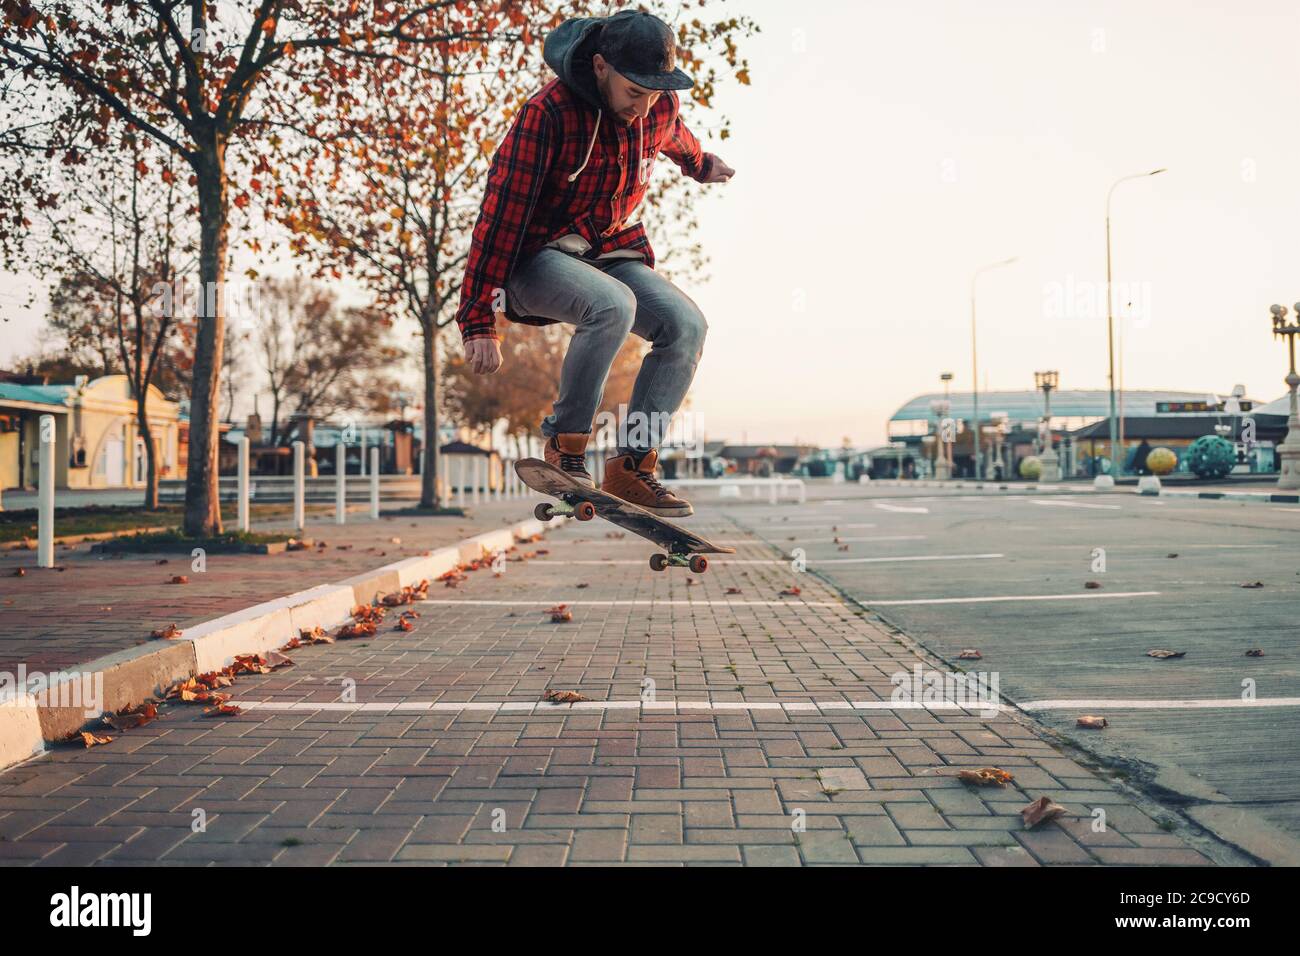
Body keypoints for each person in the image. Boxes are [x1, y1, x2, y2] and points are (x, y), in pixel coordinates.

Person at [454, 10, 734, 518]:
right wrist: (478, 318)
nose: (643, 107)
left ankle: (632, 465)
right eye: (634, 93)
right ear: (601, 67)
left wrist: (701, 166)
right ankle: (566, 446)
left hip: (609, 249)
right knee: (612, 305)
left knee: (686, 326)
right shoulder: (549, 113)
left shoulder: (658, 107)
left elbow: (679, 139)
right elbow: (500, 213)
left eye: (654, 95)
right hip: (533, 259)